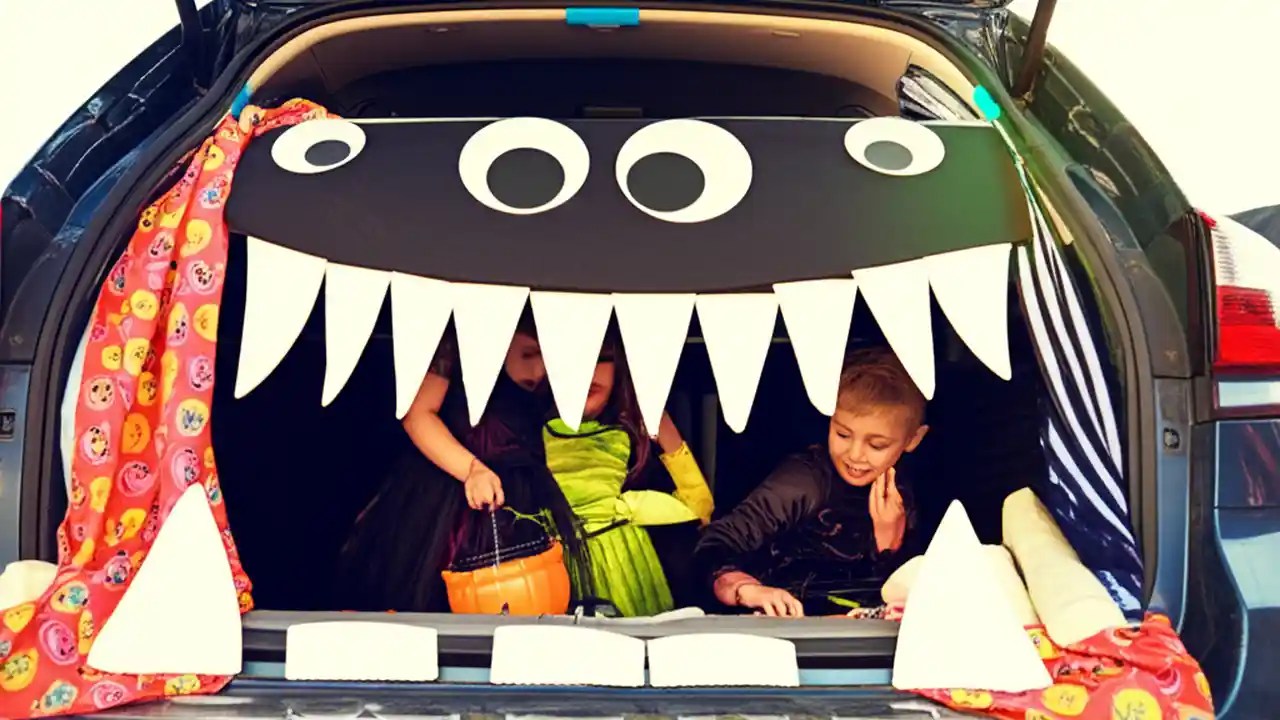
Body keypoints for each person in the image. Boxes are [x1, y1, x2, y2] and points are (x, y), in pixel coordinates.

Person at [336, 308, 589, 612]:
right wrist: (471, 469)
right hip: (453, 493)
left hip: (521, 498)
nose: (538, 370)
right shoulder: (459, 345)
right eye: (528, 354)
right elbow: (417, 415)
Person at [694, 346, 928, 618]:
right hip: (791, 628)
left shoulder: (906, 489)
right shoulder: (805, 482)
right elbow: (712, 546)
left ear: (913, 439)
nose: (855, 454)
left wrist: (890, 545)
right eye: (842, 434)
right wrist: (745, 588)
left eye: (876, 445)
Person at [542, 335, 713, 617]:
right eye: (576, 359)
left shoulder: (638, 453)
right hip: (549, 576)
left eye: (602, 358)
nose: (588, 372)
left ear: (619, 365)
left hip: (630, 575)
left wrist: (658, 421)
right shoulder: (518, 439)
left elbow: (699, 506)